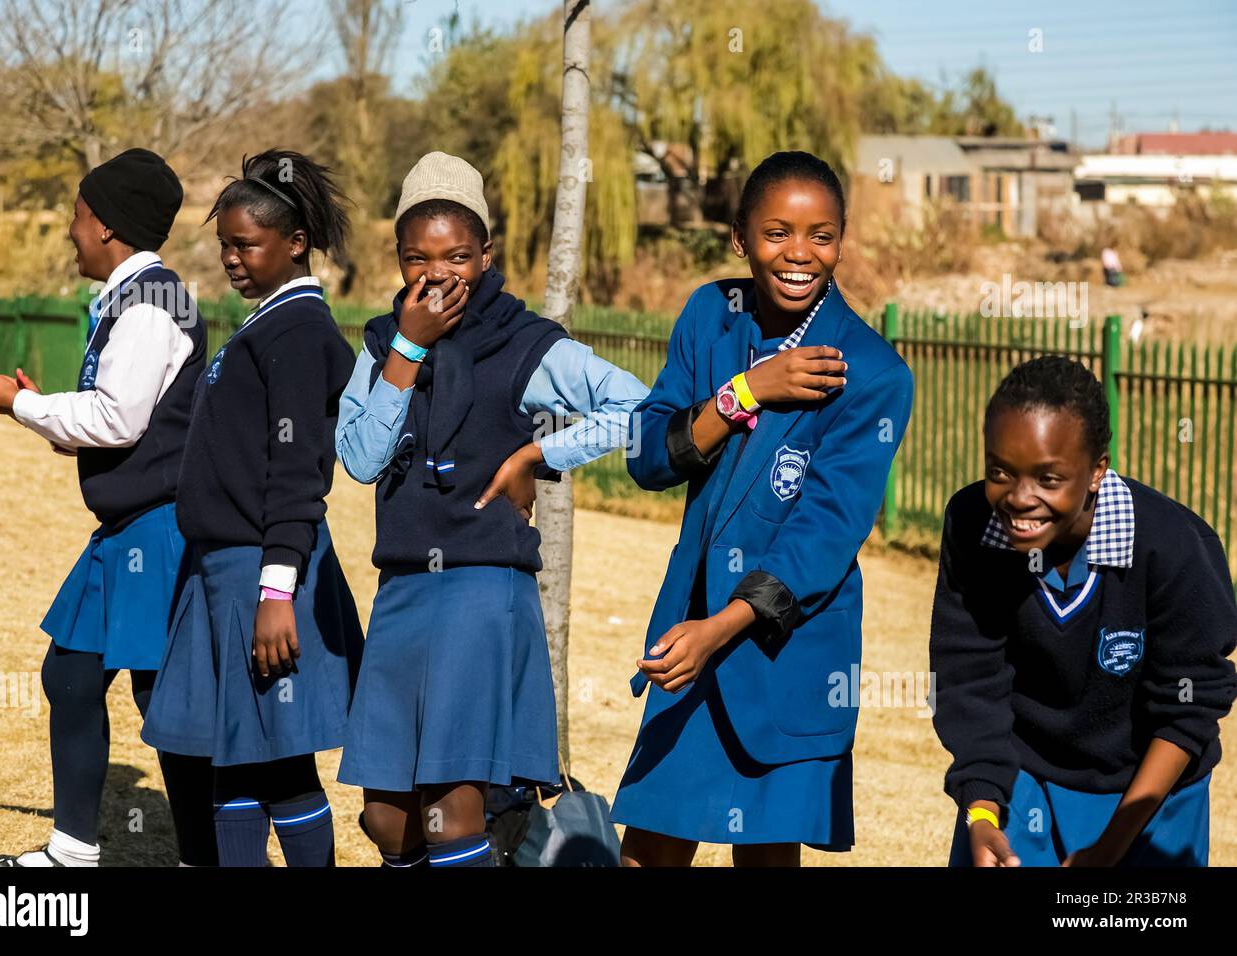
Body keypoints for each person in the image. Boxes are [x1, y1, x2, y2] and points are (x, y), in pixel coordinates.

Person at [335, 151, 649, 867]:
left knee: (451, 811)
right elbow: (358, 459)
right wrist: (408, 350)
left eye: (458, 256)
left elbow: (633, 403)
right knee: (387, 820)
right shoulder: (384, 342)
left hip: (482, 590)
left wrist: (537, 458)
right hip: (403, 589)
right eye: (418, 257)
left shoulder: (523, 343)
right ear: (399, 258)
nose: (438, 274)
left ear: (486, 254)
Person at [610, 150, 913, 866]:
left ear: (842, 239)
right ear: (741, 238)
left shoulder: (872, 372)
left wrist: (721, 628)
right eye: (777, 233)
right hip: (692, 636)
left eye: (822, 234)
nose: (801, 254)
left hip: (786, 645)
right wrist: (745, 391)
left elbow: (822, 537)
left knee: (768, 858)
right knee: (647, 849)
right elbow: (649, 457)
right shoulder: (710, 316)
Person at [0, 148, 216, 867]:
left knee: (163, 703)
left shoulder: (153, 302)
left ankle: (204, 854)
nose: (69, 232)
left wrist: (23, 405)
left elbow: (119, 418)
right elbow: (126, 418)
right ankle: (74, 849)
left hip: (156, 530)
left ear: (106, 227)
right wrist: (49, 419)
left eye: (76, 218)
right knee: (71, 675)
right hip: (128, 527)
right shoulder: (137, 299)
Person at [140, 149, 363, 867]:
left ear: (294, 243)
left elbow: (299, 472)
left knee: (280, 764)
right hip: (219, 573)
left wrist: (276, 593)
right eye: (224, 245)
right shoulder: (264, 325)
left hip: (261, 575)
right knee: (233, 763)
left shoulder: (298, 332)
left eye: (246, 244)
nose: (231, 259)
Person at [931, 355, 1237, 867]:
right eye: (1000, 471)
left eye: (1049, 479)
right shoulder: (971, 526)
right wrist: (981, 816)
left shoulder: (1175, 545)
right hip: (1022, 779)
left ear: (1096, 470)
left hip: (1149, 796)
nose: (1020, 498)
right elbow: (969, 681)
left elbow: (1187, 710)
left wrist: (1109, 850)